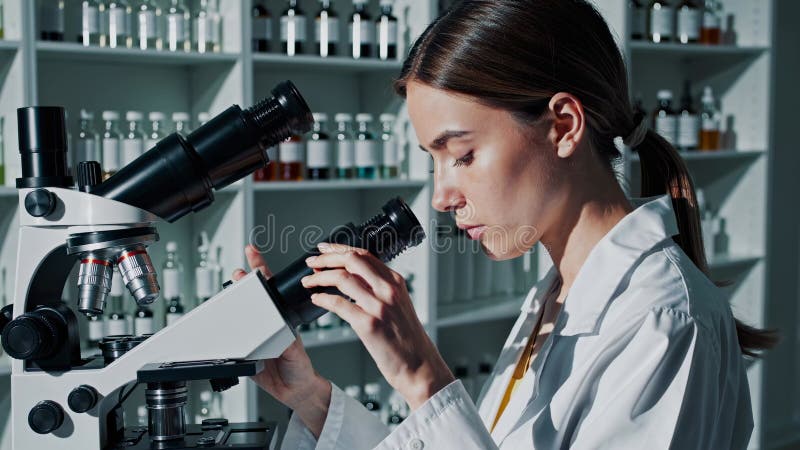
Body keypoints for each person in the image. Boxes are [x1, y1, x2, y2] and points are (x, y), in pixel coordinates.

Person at [232, 1, 776, 448]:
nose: (441, 197)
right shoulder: (559, 294)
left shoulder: (665, 322)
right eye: (433, 160)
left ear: (562, 126)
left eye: (462, 155)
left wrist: (426, 379)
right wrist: (310, 398)